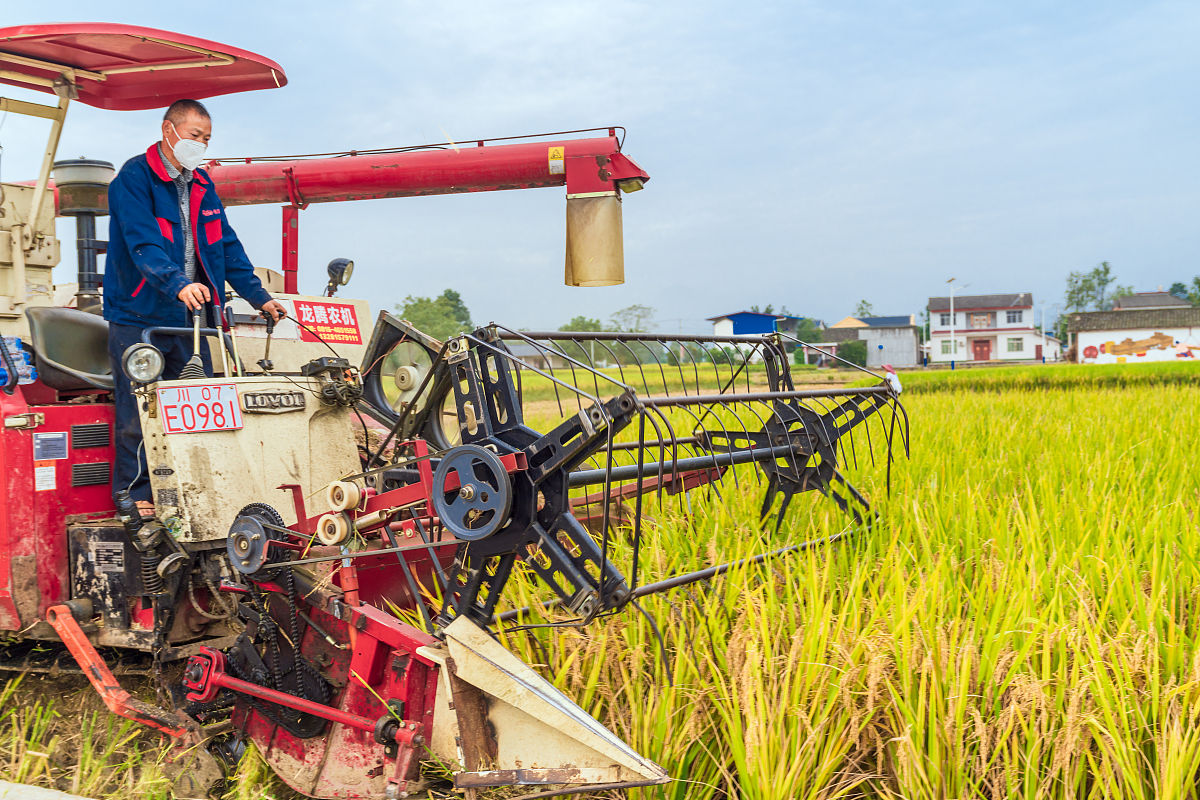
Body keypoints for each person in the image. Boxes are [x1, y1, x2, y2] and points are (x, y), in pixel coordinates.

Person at [105, 98, 286, 512]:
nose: (201, 145)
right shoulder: (133, 179)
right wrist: (177, 283)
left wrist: (259, 296)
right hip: (138, 316)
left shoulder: (203, 185)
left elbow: (227, 247)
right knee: (139, 411)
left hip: (188, 319)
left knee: (189, 410)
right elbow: (143, 243)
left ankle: (187, 493)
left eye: (207, 139)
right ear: (168, 131)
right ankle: (133, 497)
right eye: (194, 136)